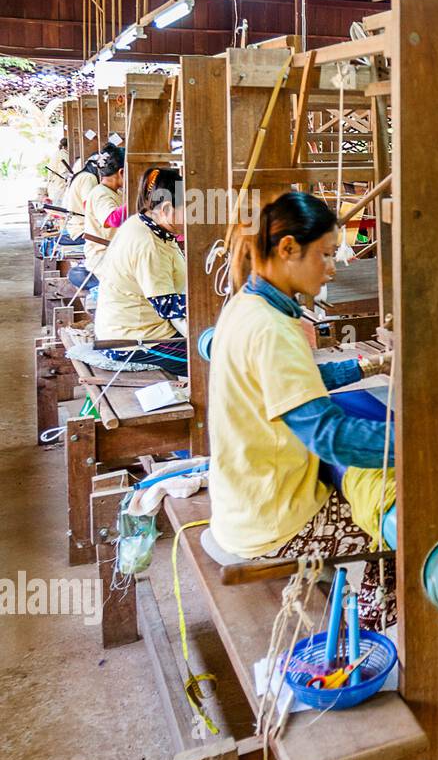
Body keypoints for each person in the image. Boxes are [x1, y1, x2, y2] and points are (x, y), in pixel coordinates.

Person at [206, 192, 396, 628]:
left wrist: (369, 365)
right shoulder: (272, 329)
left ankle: (367, 622)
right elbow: (329, 436)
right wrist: (430, 445)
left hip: (247, 504)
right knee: (417, 524)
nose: (332, 267)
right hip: (273, 524)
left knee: (375, 493)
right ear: (288, 248)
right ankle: (371, 635)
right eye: (326, 254)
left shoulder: (246, 305)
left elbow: (290, 383)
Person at [94, 167, 189, 375]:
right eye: (187, 209)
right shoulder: (148, 244)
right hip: (131, 342)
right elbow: (167, 306)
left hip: (137, 329)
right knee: (213, 360)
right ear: (165, 209)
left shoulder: (146, 224)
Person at [82, 144, 126, 278]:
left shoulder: (113, 192)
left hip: (112, 255)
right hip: (103, 259)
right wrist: (140, 201)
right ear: (122, 172)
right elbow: (111, 219)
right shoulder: (101, 193)